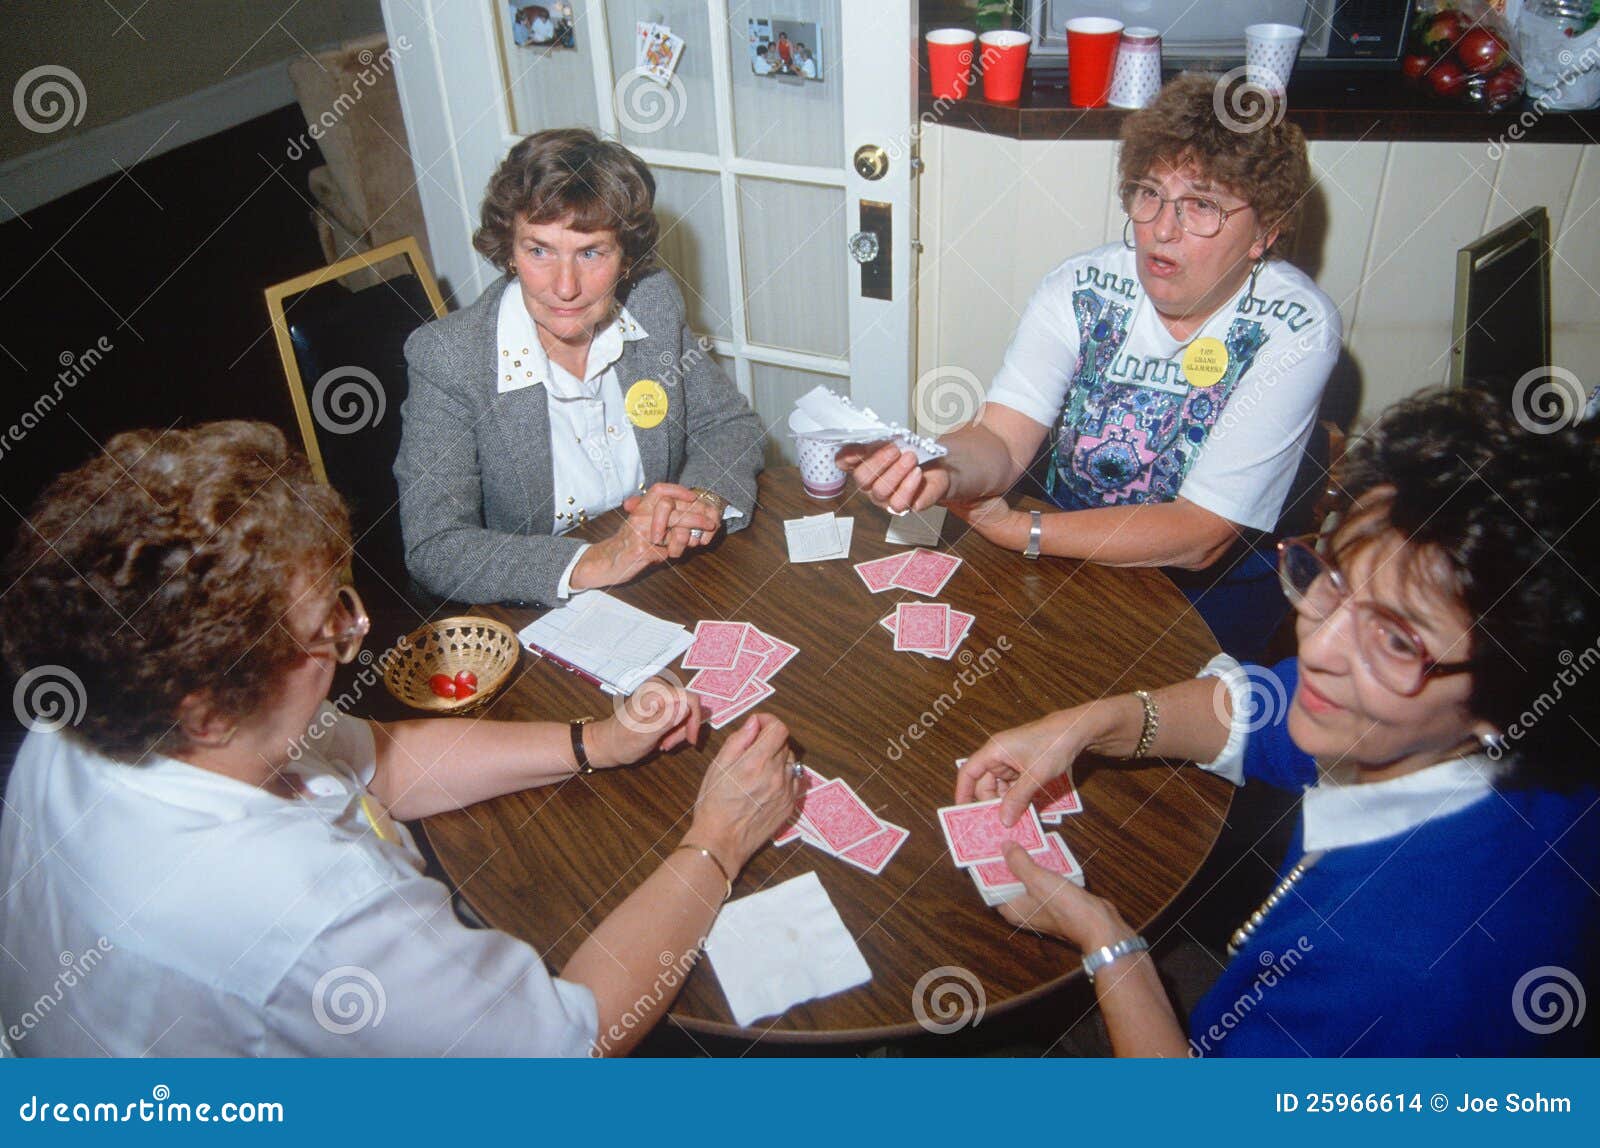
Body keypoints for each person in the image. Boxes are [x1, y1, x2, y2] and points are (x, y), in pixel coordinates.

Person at [0, 421, 801, 1056]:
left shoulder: (84, 707)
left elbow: (380, 759)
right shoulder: (312, 907)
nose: (360, 628)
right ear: (210, 710)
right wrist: (720, 836)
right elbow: (569, 1046)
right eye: (328, 629)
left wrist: (599, 740)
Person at [955, 388, 1599, 1056]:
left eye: (1398, 642)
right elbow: (1261, 712)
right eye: (1337, 580)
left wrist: (1108, 943)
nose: (1317, 648)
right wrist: (1092, 722)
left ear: (1509, 699)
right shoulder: (1458, 733)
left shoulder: (1404, 973)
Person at [841, 74, 1341, 659]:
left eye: (1202, 205)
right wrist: (940, 468)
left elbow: (1201, 536)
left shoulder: (1296, 326)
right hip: (1066, 555)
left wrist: (1021, 532)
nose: (1161, 227)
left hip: (1206, 594)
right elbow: (1001, 437)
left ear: (1266, 233)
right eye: (1149, 192)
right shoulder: (1081, 285)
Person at [395, 129, 764, 607]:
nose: (564, 286)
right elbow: (435, 546)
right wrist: (599, 560)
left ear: (625, 258)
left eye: (591, 252)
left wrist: (702, 500)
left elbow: (728, 424)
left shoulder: (652, 304)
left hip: (664, 584)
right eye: (539, 250)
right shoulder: (449, 357)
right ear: (509, 249)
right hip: (531, 612)